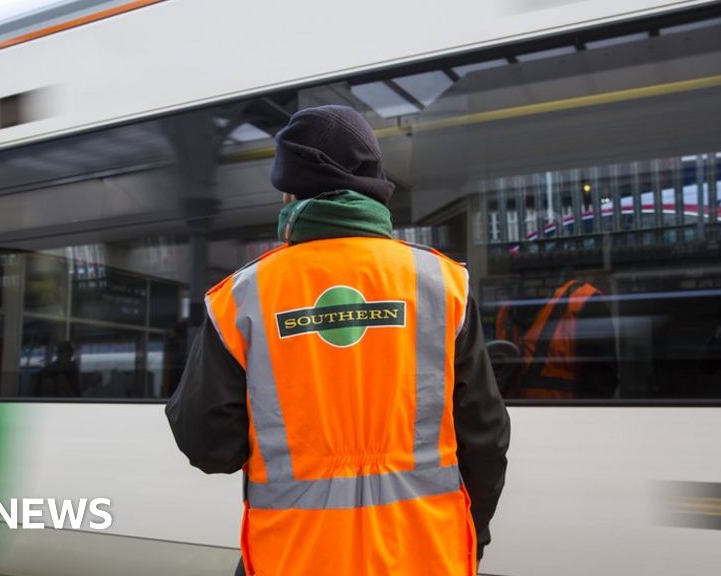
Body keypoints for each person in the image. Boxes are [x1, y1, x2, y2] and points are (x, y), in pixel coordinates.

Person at [166, 105, 510, 576]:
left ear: (289, 190)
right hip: (426, 555)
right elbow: (486, 438)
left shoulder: (242, 297)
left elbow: (208, 446)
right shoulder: (443, 284)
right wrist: (473, 536)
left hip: (292, 558)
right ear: (373, 181)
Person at [495, 277, 617, 399]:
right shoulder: (506, 312)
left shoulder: (585, 302)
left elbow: (601, 387)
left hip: (566, 415)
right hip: (514, 415)